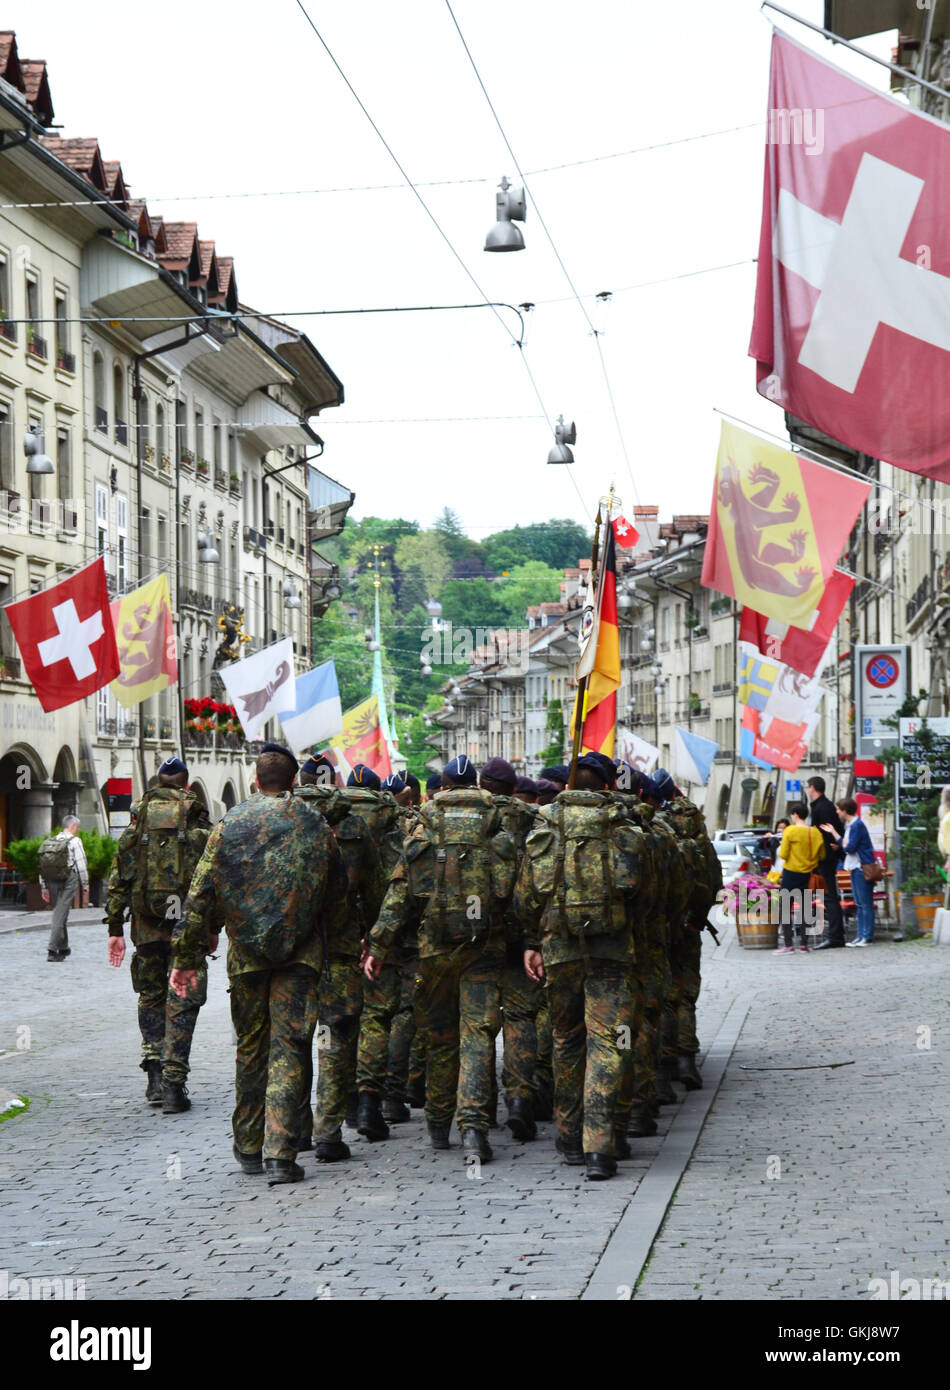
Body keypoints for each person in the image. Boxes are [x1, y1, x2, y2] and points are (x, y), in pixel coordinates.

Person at [170, 743, 342, 1185]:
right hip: (301, 955)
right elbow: (338, 893)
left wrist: (187, 957)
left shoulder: (229, 824)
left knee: (251, 1047)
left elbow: (200, 893)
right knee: (290, 1047)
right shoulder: (315, 823)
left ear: (255, 780)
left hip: (246, 957)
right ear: (292, 781)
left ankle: (248, 1145)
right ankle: (281, 1153)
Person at [364, 754, 517, 1165]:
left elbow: (402, 889)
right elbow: (514, 889)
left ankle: (437, 1123)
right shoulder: (495, 818)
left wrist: (379, 944)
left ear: (445, 786)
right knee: (478, 1037)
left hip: (434, 948)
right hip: (484, 947)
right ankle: (474, 1129)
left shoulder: (426, 820)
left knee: (440, 1040)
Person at [515, 754, 639, 1180]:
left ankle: (569, 1136)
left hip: (559, 947)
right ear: (605, 786)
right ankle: (600, 1147)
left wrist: (533, 943)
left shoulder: (546, 823)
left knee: (566, 1039)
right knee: (609, 1043)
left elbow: (527, 893)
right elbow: (649, 892)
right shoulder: (623, 824)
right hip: (612, 948)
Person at [104, 756, 212, 1110]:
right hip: (187, 926)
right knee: (183, 999)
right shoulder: (195, 815)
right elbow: (210, 876)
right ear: (184, 783)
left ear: (156, 782)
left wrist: (116, 928)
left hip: (146, 924)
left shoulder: (139, 820)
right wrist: (212, 926)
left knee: (151, 996)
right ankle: (173, 1084)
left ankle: (153, 1072)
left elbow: (120, 876)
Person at [295, 756, 384, 1162]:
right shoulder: (351, 826)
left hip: (286, 951)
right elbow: (376, 890)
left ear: (302, 781)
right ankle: (328, 1131)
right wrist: (373, 938)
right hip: (340, 950)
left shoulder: (274, 819)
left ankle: (291, 1129)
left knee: (291, 1040)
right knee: (335, 1038)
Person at [480, 756, 540, 1142]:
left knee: (478, 1026)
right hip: (519, 939)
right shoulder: (531, 818)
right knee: (521, 1021)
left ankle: (481, 1108)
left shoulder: (464, 817)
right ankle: (520, 1100)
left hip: (473, 939)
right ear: (514, 789)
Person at [348, 763, 407, 1142]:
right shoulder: (391, 828)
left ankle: (329, 1116)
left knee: (335, 1027)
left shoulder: (324, 822)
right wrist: (382, 939)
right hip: (378, 942)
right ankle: (370, 1102)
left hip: (332, 944)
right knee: (375, 1020)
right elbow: (399, 887)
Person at [823, 799, 877, 947]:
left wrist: (835, 835)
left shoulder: (856, 825)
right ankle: (861, 936)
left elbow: (850, 847)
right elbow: (847, 845)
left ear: (845, 810)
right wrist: (842, 843)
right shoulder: (851, 825)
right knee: (860, 904)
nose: (837, 812)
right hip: (854, 867)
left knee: (865, 904)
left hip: (861, 867)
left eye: (839, 809)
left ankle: (867, 936)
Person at [775, 804, 825, 953]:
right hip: (808, 874)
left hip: (791, 873)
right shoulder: (815, 832)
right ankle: (804, 944)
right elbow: (822, 855)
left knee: (785, 909)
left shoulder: (790, 831)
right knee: (805, 910)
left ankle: (789, 944)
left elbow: (783, 854)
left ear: (795, 814)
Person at [39, 815, 88, 962]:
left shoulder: (49, 842)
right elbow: (81, 864)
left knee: (61, 912)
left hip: (51, 880)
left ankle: (64, 948)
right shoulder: (75, 841)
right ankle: (52, 949)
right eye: (77, 828)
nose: (77, 831)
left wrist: (43, 888)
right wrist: (85, 885)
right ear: (73, 826)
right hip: (68, 879)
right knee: (59, 914)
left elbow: (42, 867)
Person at [806, 776, 845, 948]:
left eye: (808, 787)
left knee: (829, 897)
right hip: (826, 857)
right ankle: (835, 935)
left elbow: (823, 834)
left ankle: (836, 937)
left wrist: (831, 848)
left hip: (825, 859)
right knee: (828, 897)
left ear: (813, 788)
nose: (808, 790)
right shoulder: (823, 806)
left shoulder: (822, 807)